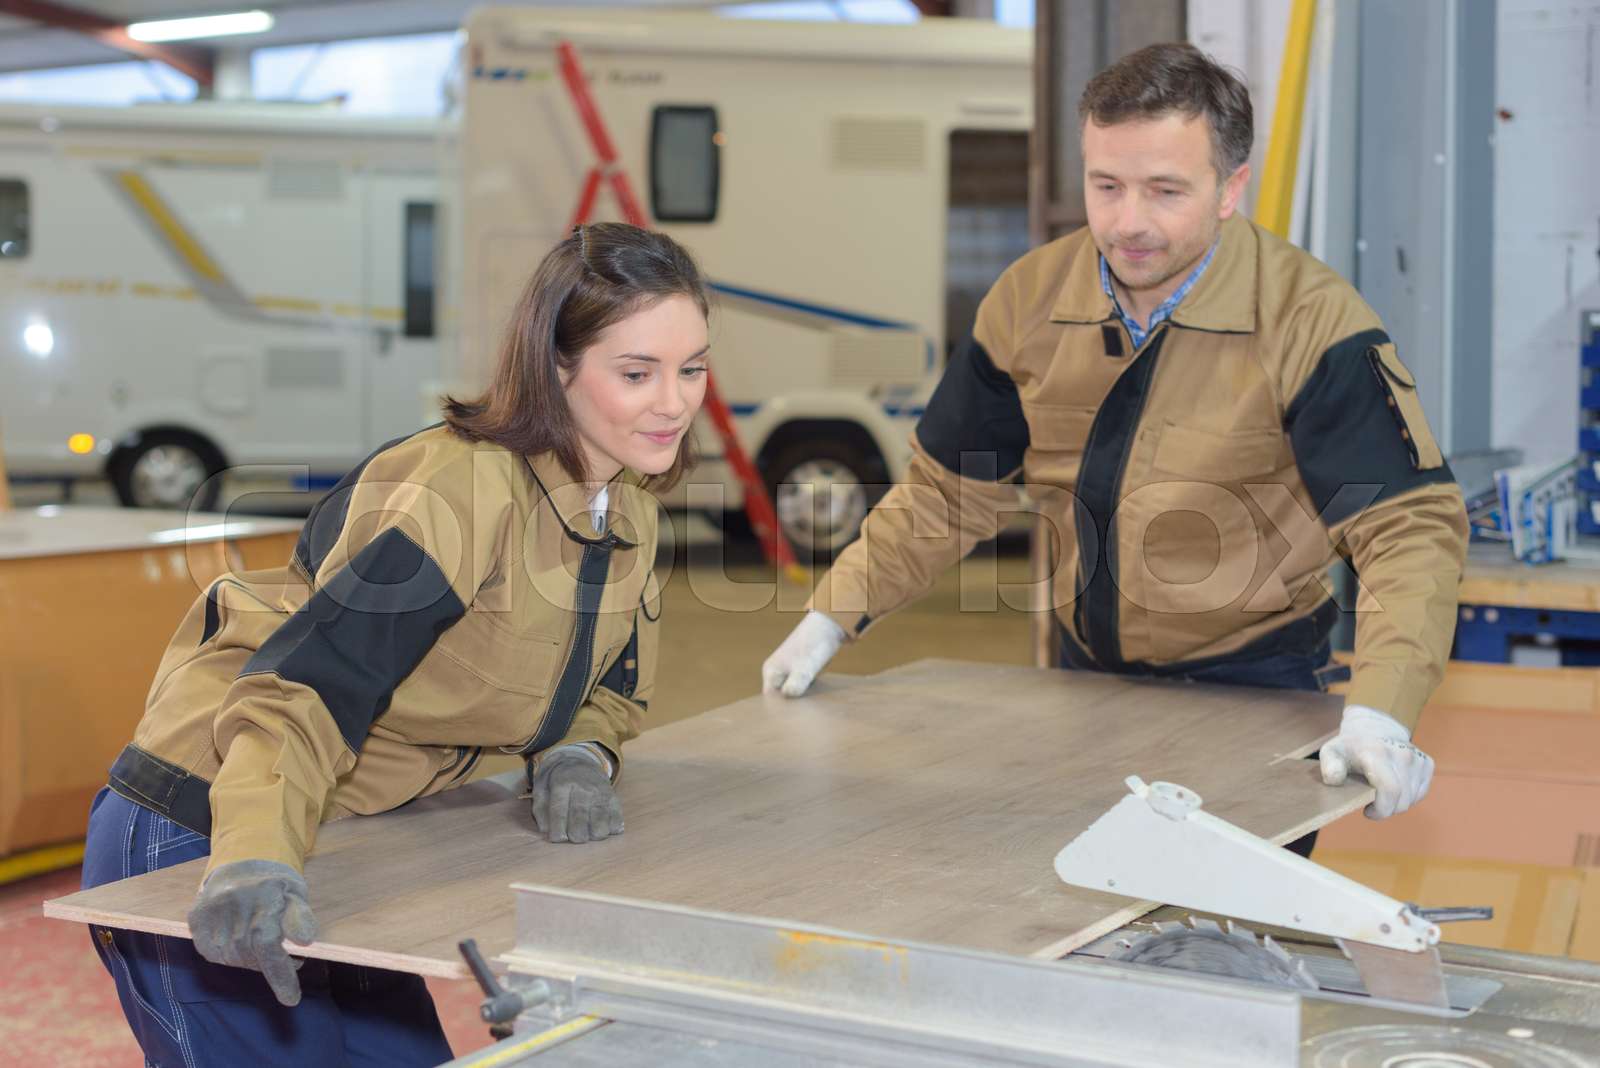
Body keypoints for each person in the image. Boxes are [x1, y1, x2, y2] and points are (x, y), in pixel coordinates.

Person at [763, 43, 1467, 834]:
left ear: (1231, 188)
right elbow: (947, 494)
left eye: (1165, 191)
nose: (1128, 223)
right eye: (1107, 186)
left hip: (1260, 682)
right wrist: (830, 617)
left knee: (1219, 940)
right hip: (1082, 679)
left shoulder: (1312, 322)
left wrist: (1381, 710)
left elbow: (1408, 530)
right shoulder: (1028, 300)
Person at [81, 222, 710, 1066]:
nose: (673, 401)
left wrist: (578, 756)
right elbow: (306, 687)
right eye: (637, 373)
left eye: (692, 368)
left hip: (343, 834)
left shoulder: (627, 513)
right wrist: (254, 859)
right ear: (556, 369)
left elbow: (609, 685)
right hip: (212, 828)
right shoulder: (458, 492)